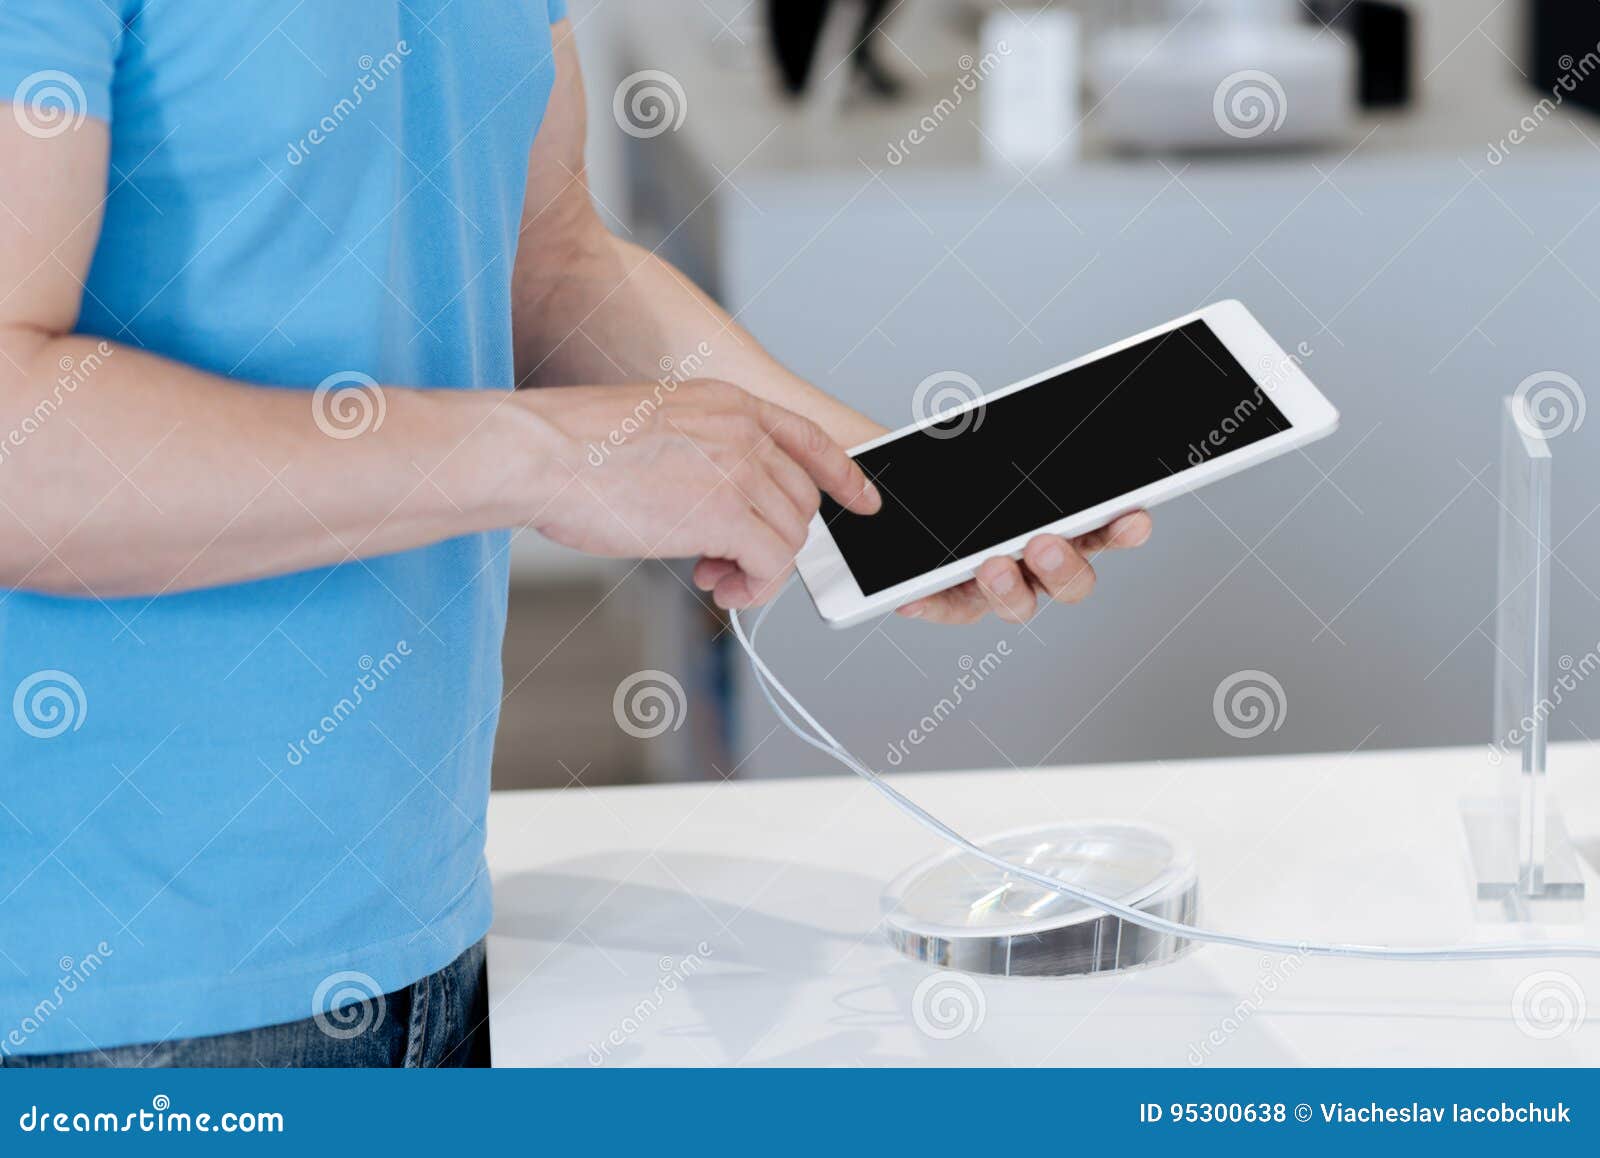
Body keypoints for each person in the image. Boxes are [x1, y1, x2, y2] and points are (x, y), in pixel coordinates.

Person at [0, 2, 1151, 1068]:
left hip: (423, 924)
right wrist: (545, 458)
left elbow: (547, 262)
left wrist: (882, 494)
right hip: (103, 993)